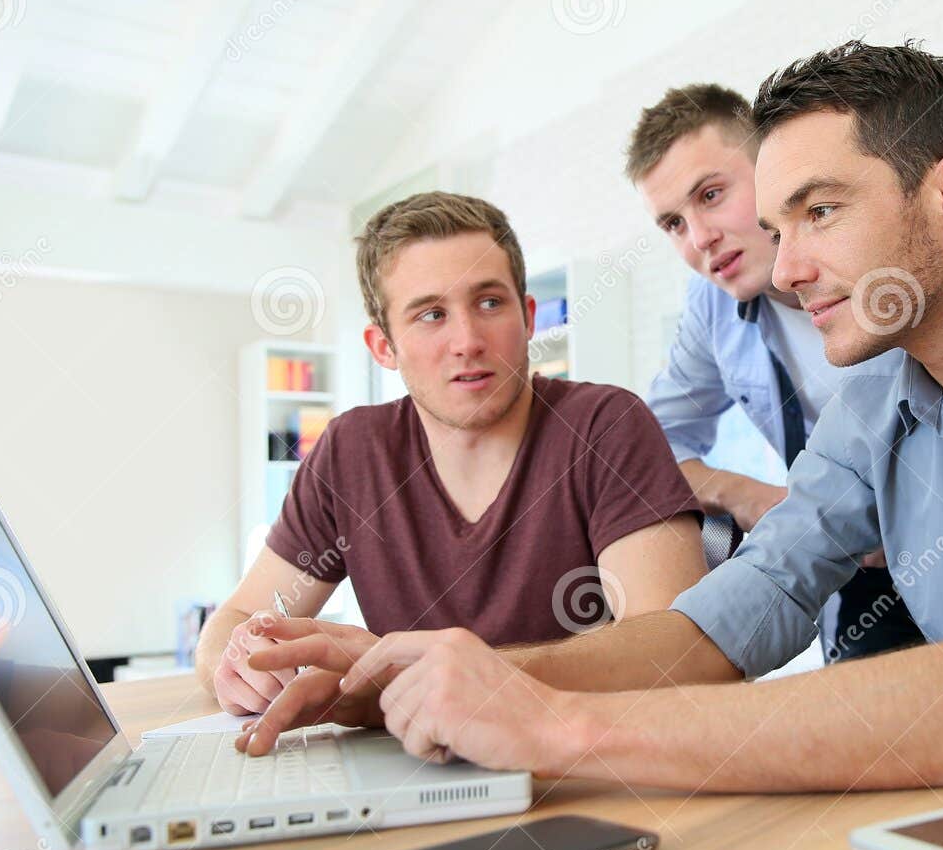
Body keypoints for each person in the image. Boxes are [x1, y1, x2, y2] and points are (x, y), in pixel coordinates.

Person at [237, 43, 943, 790]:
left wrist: (556, 724)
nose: (788, 264)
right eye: (779, 223)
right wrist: (423, 672)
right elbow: (720, 628)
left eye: (820, 212)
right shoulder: (875, 403)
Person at [195, 191, 707, 715]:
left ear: (528, 317)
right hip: (405, 756)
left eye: (490, 303)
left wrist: (415, 681)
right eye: (431, 314)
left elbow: (676, 652)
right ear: (383, 347)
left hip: (583, 754)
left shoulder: (607, 426)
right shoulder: (350, 452)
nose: (467, 340)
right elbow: (234, 620)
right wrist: (237, 669)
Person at [630, 83, 924, 662]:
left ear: (770, 169)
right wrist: (748, 496)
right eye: (673, 224)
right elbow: (645, 452)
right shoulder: (712, 307)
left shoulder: (879, 251)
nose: (700, 238)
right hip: (859, 572)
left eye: (712, 195)